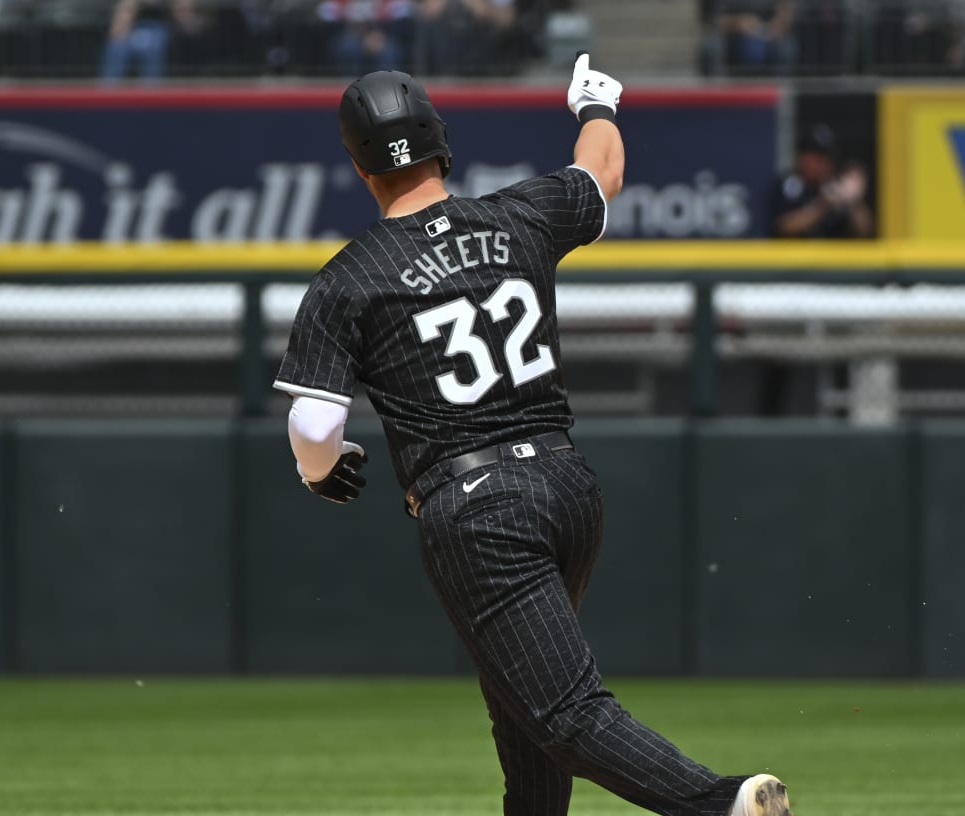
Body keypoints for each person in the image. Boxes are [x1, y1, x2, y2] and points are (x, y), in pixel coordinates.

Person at [271, 56, 794, 816]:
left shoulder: (350, 278)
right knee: (524, 711)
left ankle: (720, 804)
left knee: (564, 711)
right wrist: (596, 103)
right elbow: (601, 174)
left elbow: (315, 423)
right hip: (566, 486)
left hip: (476, 507)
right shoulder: (518, 215)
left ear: (357, 165)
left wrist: (320, 472)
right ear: (440, 145)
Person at [100, 0, 197, 81]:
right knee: (117, 46)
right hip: (135, 27)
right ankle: (108, 94)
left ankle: (151, 94)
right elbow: (125, 9)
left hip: (165, 28)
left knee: (151, 45)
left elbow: (184, 8)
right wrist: (118, 30)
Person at [771, 124, 873, 239]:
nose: (823, 163)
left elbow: (864, 232)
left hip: (835, 255)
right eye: (816, 157)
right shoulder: (788, 185)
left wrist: (855, 201)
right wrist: (823, 205)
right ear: (802, 157)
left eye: (826, 157)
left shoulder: (837, 185)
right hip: (797, 256)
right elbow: (784, 228)